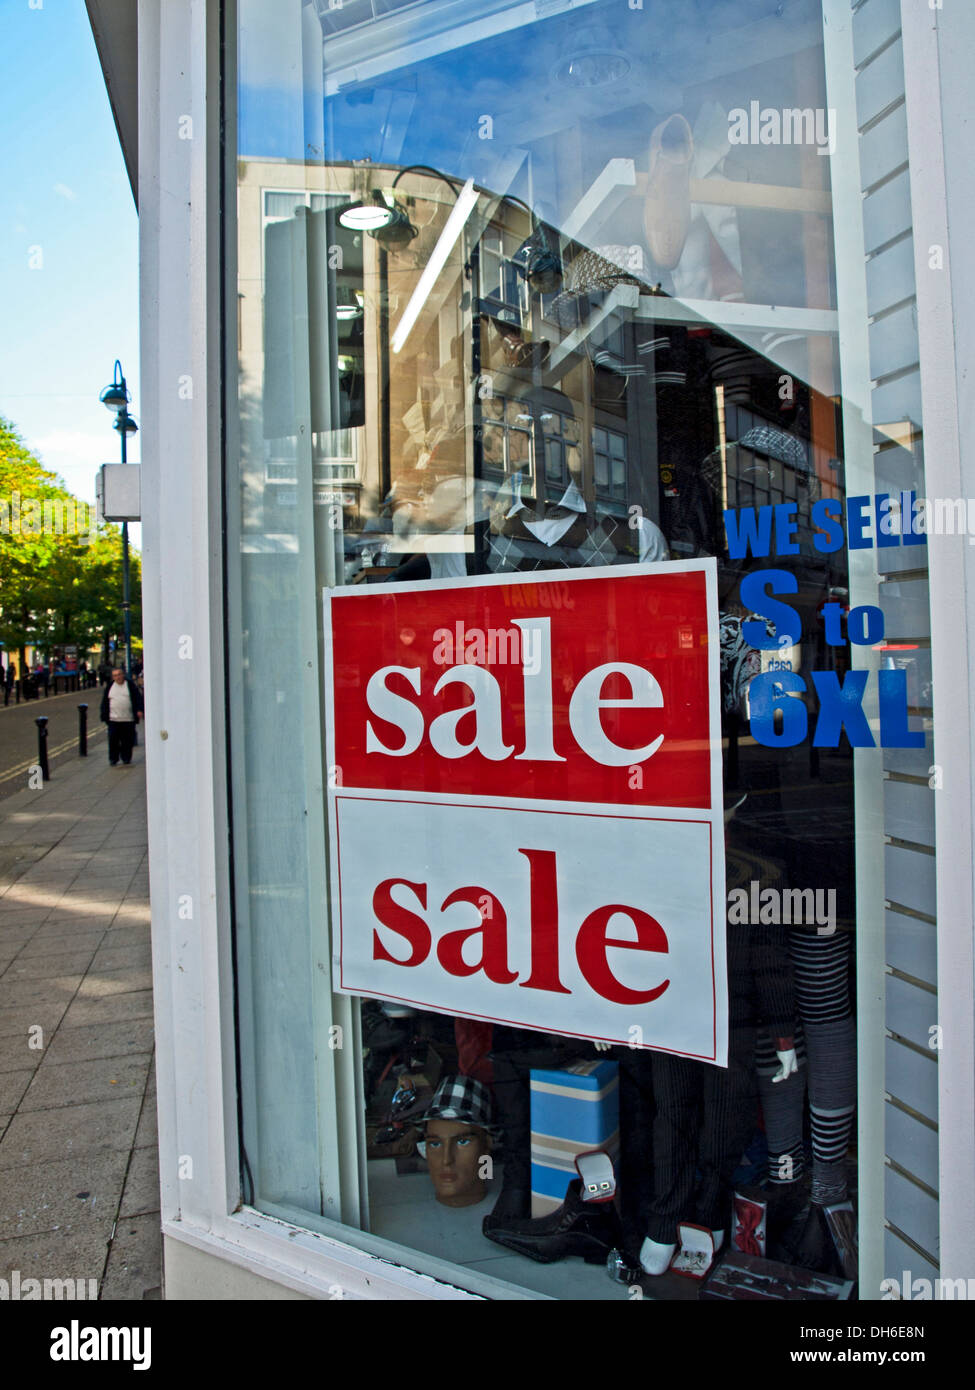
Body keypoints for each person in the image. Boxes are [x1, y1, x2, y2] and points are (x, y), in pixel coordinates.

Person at [100, 667, 145, 766]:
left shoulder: (130, 686)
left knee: (127, 740)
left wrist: (139, 710)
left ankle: (126, 758)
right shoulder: (110, 687)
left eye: (119, 674)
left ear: (123, 675)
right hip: (113, 719)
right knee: (113, 740)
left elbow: (137, 698)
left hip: (128, 719)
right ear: (113, 677)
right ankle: (113, 759)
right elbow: (105, 702)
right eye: (115, 675)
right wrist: (104, 715)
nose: (118, 677)